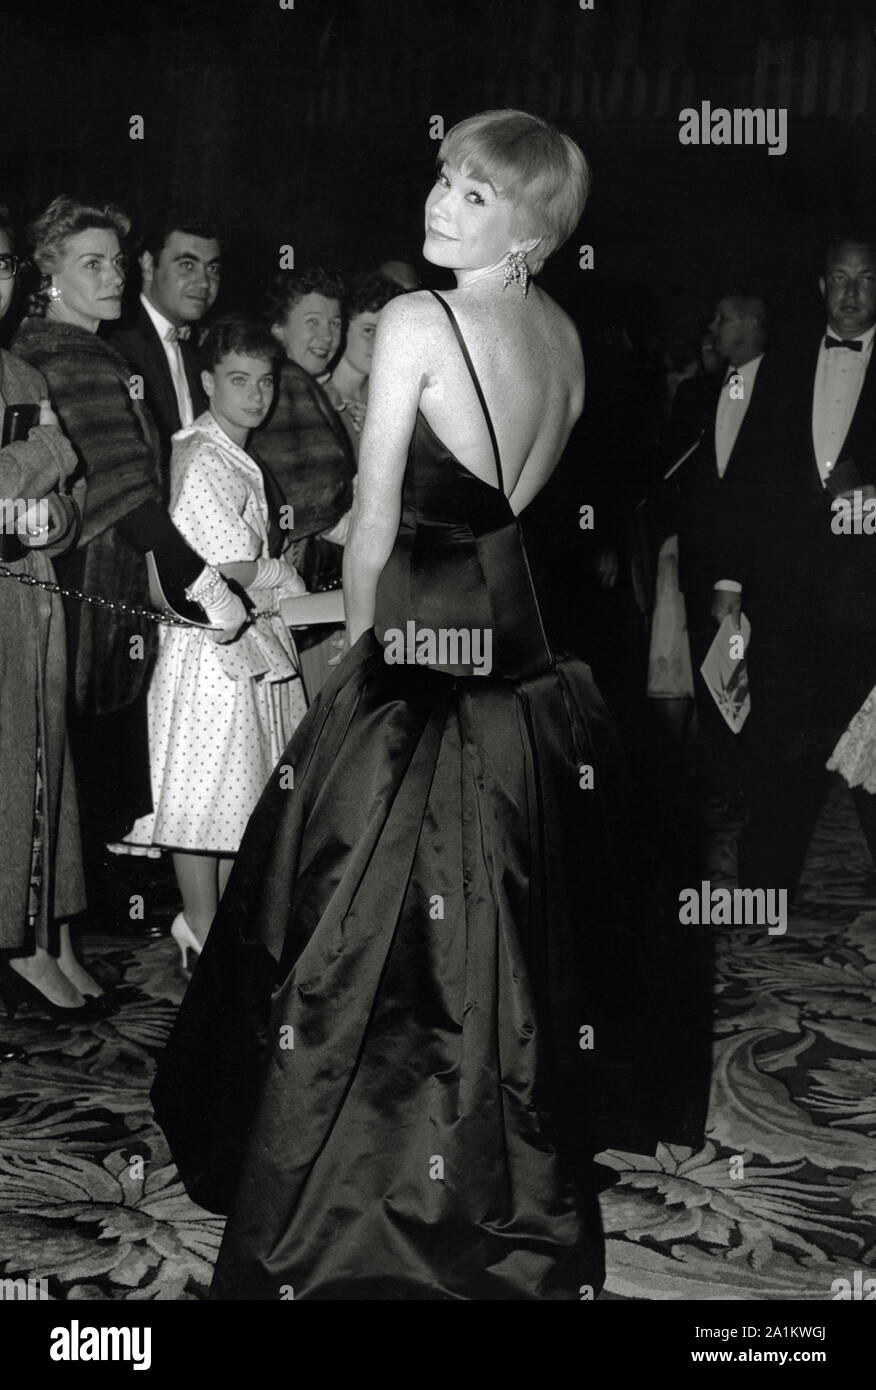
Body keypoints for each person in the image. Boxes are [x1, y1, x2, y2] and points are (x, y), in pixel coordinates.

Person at [153, 109, 693, 1301]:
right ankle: (490, 1188)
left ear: (533, 232)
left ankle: (352, 1194)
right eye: (445, 178)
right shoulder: (561, 333)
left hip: (415, 660)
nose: (442, 202)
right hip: (524, 671)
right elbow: (493, 511)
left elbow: (387, 518)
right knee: (490, 945)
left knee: (351, 939)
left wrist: (348, 645)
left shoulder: (418, 319)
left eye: (479, 196)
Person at [13, 196, 246, 940]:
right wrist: (202, 583)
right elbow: (130, 495)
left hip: (105, 581)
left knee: (88, 754)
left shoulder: (93, 352)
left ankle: (69, 936)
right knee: (76, 750)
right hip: (82, 579)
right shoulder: (60, 356)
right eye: (92, 263)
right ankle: (55, 941)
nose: (114, 275)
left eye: (116, 260)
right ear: (48, 276)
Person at [125, 318, 308, 964]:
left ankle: (215, 927)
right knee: (205, 797)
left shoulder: (236, 453)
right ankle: (201, 923)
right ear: (207, 382)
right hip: (207, 646)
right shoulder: (202, 454)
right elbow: (219, 565)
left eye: (265, 381)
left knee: (237, 797)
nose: (255, 395)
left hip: (237, 641)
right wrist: (274, 571)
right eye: (238, 380)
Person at [717, 236, 876, 896]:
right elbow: (745, 480)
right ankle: (764, 887)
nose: (851, 293)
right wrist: (728, 584)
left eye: (866, 279)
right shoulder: (777, 369)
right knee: (777, 747)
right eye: (839, 278)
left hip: (867, 602)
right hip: (784, 601)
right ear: (820, 286)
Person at [0, 203, 98, 1033]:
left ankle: (37, 933)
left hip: (28, 593)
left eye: (1, 267)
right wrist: (45, 455)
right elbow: (51, 457)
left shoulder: (22, 377)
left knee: (43, 762)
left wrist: (50, 515)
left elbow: (70, 496)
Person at [254, 268, 356, 700]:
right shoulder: (287, 384)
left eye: (334, 323)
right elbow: (308, 499)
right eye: (311, 321)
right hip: (303, 596)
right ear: (279, 329)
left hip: (306, 598)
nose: (327, 335)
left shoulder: (298, 383)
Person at [106, 213, 222, 481]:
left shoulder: (198, 349)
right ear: (148, 265)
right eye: (187, 265)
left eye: (213, 268)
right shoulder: (117, 344)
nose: (204, 283)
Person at [324, 273, 404, 459]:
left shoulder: (388, 396)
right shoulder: (321, 398)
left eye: (388, 332)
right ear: (343, 329)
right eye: (369, 331)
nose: (380, 342)